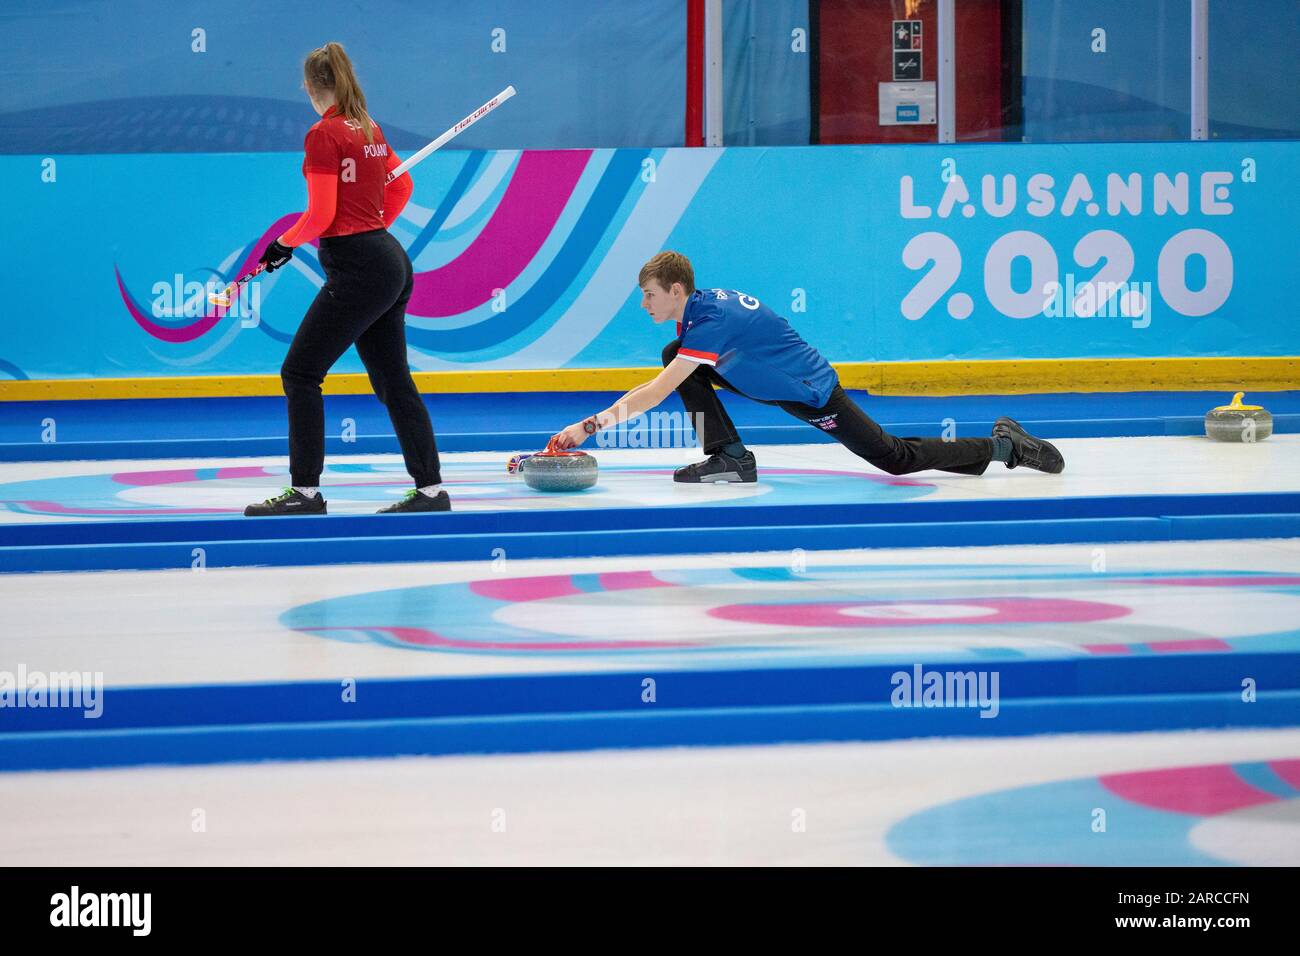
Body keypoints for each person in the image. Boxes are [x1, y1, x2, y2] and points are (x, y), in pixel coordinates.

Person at [549, 251, 1064, 480]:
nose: (645, 305)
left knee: (893, 458)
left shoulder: (709, 323)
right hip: (771, 379)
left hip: (810, 391)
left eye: (649, 296)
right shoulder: (701, 311)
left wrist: (589, 425)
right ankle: (729, 456)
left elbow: (659, 393)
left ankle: (1004, 446)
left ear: (677, 291)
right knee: (674, 359)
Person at [245, 42, 448, 516]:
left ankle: (305, 493)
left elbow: (319, 215)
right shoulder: (369, 126)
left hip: (360, 266)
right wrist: (372, 226)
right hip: (388, 260)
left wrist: (284, 243)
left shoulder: (324, 134)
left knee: (299, 373)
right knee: (394, 381)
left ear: (314, 87)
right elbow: (402, 186)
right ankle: (432, 491)